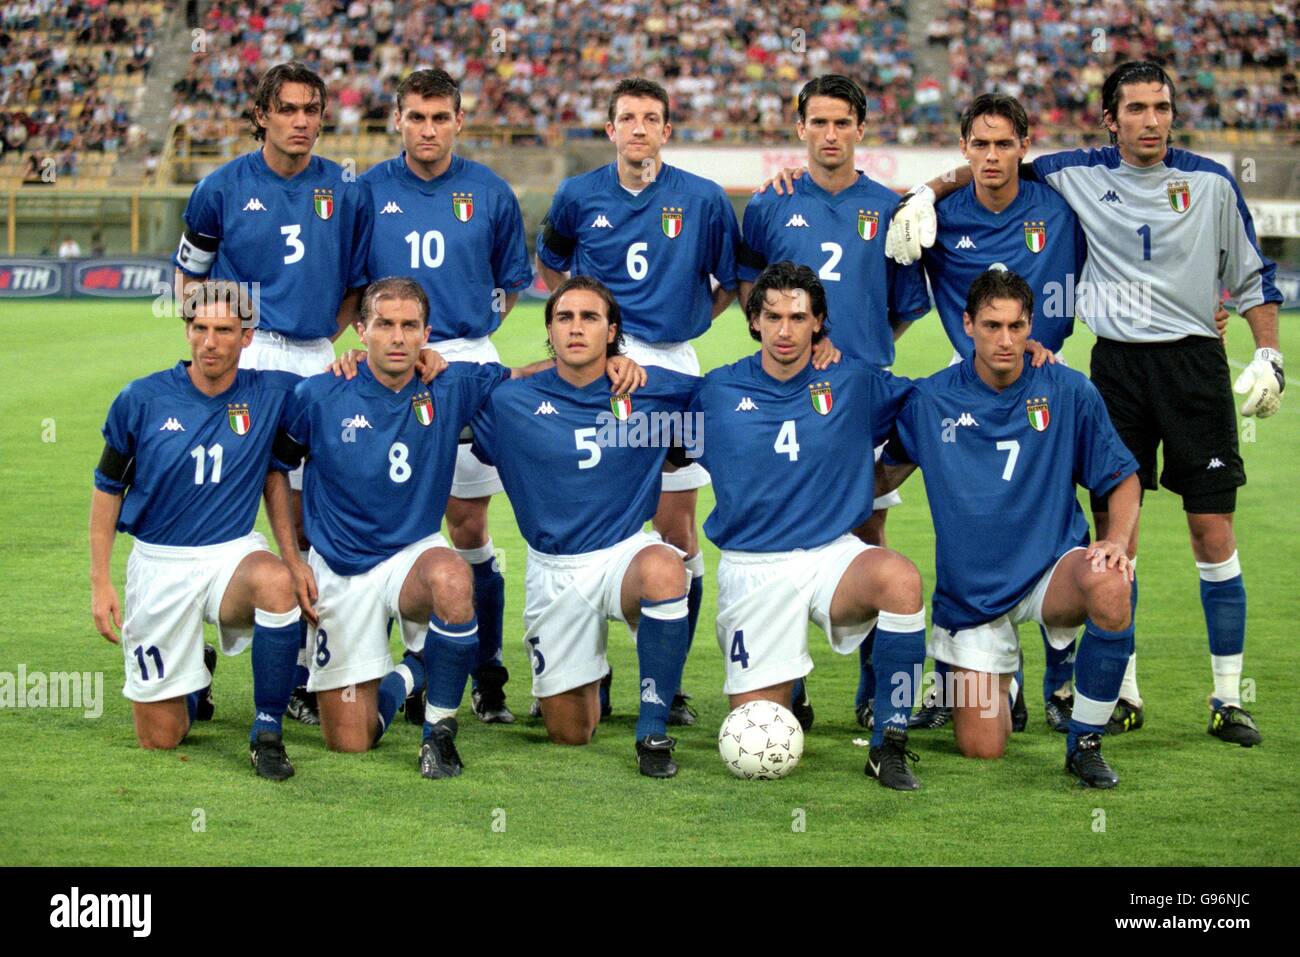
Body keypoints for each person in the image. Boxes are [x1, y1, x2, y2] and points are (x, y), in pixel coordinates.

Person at [887, 61, 1282, 746]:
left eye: (1161, 106)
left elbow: (1251, 275)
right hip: (1097, 367)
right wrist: (925, 188)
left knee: (1192, 530)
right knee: (1050, 528)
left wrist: (1268, 352)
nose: (1150, 119)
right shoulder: (1071, 173)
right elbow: (992, 167)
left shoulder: (1204, 183)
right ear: (1110, 118)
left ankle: (1212, 695)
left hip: (1159, 366)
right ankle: (1088, 686)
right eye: (1135, 108)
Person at [269, 278, 643, 777]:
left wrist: (614, 362)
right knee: (350, 741)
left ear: (427, 333)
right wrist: (293, 561)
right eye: (384, 325)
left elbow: (533, 373)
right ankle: (414, 670)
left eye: (409, 326)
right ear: (360, 331)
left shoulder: (452, 382)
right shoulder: (317, 394)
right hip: (340, 567)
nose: (398, 338)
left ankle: (439, 731)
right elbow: (277, 467)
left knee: (452, 575)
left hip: (412, 557)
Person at [535, 76, 743, 725]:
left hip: (673, 370)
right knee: (596, 510)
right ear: (611, 128)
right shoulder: (577, 194)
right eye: (628, 117)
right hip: (597, 371)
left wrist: (684, 325)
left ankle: (668, 684)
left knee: (676, 527)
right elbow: (552, 265)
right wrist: (589, 336)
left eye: (652, 117)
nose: (639, 128)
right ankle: (577, 672)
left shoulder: (704, 199)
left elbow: (730, 284)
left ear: (666, 129)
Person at [879, 269, 1139, 787]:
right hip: (972, 596)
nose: (1005, 340)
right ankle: (997, 685)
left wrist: (1114, 541)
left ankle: (1084, 742)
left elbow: (1123, 478)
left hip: (1051, 573)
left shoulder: (1068, 390)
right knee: (983, 749)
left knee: (1112, 583)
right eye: (992, 326)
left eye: (1016, 327)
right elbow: (881, 477)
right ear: (967, 325)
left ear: (1030, 327)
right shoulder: (930, 401)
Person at [172, 61, 371, 726]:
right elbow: (188, 279)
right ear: (262, 114)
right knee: (213, 501)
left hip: (315, 357)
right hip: (243, 355)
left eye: (312, 109)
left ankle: (304, 670)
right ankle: (187, 657)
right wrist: (217, 349)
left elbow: (359, 285)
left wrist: (320, 338)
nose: (302, 121)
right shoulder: (220, 186)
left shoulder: (345, 188)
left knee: (317, 513)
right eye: (288, 108)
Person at [738, 74, 930, 732]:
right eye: (817, 122)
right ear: (800, 128)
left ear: (860, 129)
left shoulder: (890, 207)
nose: (829, 135)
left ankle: (877, 688)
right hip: (785, 401)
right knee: (786, 533)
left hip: (861, 397)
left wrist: (849, 358)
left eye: (841, 123)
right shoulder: (769, 204)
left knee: (869, 534)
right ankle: (787, 681)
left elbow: (901, 308)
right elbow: (749, 293)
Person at [691, 261, 928, 790]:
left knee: (901, 580)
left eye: (798, 318)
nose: (784, 330)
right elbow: (657, 438)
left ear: (819, 323)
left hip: (830, 556)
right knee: (755, 742)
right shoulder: (716, 392)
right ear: (753, 322)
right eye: (772, 316)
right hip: (754, 570)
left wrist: (886, 470)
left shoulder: (852, 381)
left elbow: (933, 402)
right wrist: (616, 367)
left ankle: (889, 742)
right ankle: (787, 685)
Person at [357, 68, 534, 727]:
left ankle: (485, 670)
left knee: (467, 525)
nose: (427, 129)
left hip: (462, 357)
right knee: (387, 514)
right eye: (415, 117)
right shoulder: (368, 190)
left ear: (459, 121)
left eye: (440, 118)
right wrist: (389, 342)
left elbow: (509, 285)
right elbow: (355, 282)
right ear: (397, 120)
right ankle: (384, 668)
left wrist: (457, 338)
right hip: (389, 363)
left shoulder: (489, 191)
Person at [908, 93, 1088, 735]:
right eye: (978, 144)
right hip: (966, 392)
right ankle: (968, 673)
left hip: (1045, 375)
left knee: (1051, 510)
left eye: (1003, 143)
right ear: (964, 148)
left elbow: (1119, 263)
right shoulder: (940, 219)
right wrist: (924, 194)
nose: (991, 155)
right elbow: (891, 283)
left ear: (1023, 146)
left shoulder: (1059, 208)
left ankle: (1065, 677)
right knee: (969, 513)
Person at [468, 276, 696, 777]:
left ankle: (653, 728)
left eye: (590, 318)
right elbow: (435, 380)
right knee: (571, 734)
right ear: (549, 328)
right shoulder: (508, 401)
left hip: (623, 556)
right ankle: (590, 675)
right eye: (564, 318)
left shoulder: (651, 391)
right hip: (554, 571)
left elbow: (724, 403)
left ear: (612, 330)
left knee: (665, 566)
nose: (576, 328)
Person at [89, 281, 303, 781]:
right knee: (159, 738)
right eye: (200, 328)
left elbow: (340, 389)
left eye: (224, 331)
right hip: (159, 564)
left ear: (246, 337)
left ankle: (267, 729)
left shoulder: (271, 393)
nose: (211, 342)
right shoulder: (140, 399)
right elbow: (105, 491)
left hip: (230, 556)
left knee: (277, 585)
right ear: (187, 331)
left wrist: (353, 361)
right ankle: (191, 678)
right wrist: (101, 581)